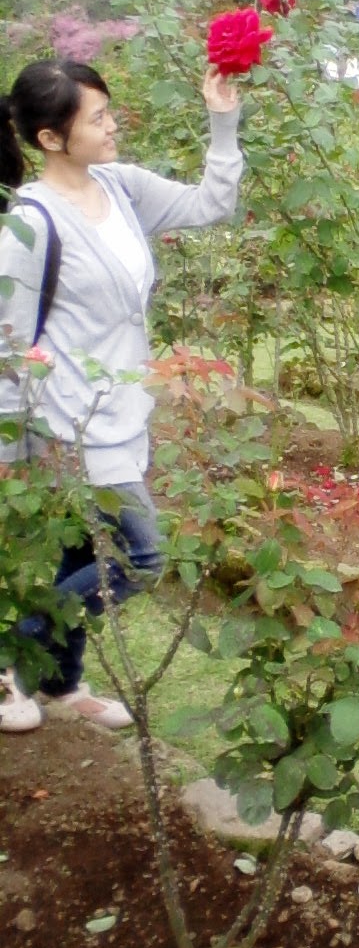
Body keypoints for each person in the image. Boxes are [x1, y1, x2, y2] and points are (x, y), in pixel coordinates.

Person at [0, 59, 243, 732]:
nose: (113, 125)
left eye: (109, 111)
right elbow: (7, 340)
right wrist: (11, 448)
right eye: (98, 118)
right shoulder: (29, 223)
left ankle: (62, 682)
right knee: (144, 556)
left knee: (83, 553)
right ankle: (11, 661)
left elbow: (211, 204)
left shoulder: (121, 187)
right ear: (50, 138)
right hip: (70, 424)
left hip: (124, 412)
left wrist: (223, 122)